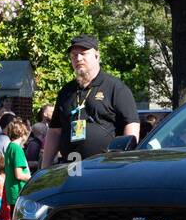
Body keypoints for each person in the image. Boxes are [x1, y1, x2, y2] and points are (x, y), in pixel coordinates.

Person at [43, 35, 140, 167]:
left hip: (106, 168)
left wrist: (125, 161)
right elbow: (54, 131)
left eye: (83, 53)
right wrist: (44, 167)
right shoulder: (66, 92)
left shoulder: (115, 87)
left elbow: (131, 124)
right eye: (74, 55)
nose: (78, 58)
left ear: (97, 56)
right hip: (72, 168)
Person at [24, 105, 54, 170]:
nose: (54, 113)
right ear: (45, 114)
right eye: (52, 111)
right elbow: (30, 161)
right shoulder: (37, 127)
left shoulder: (54, 128)